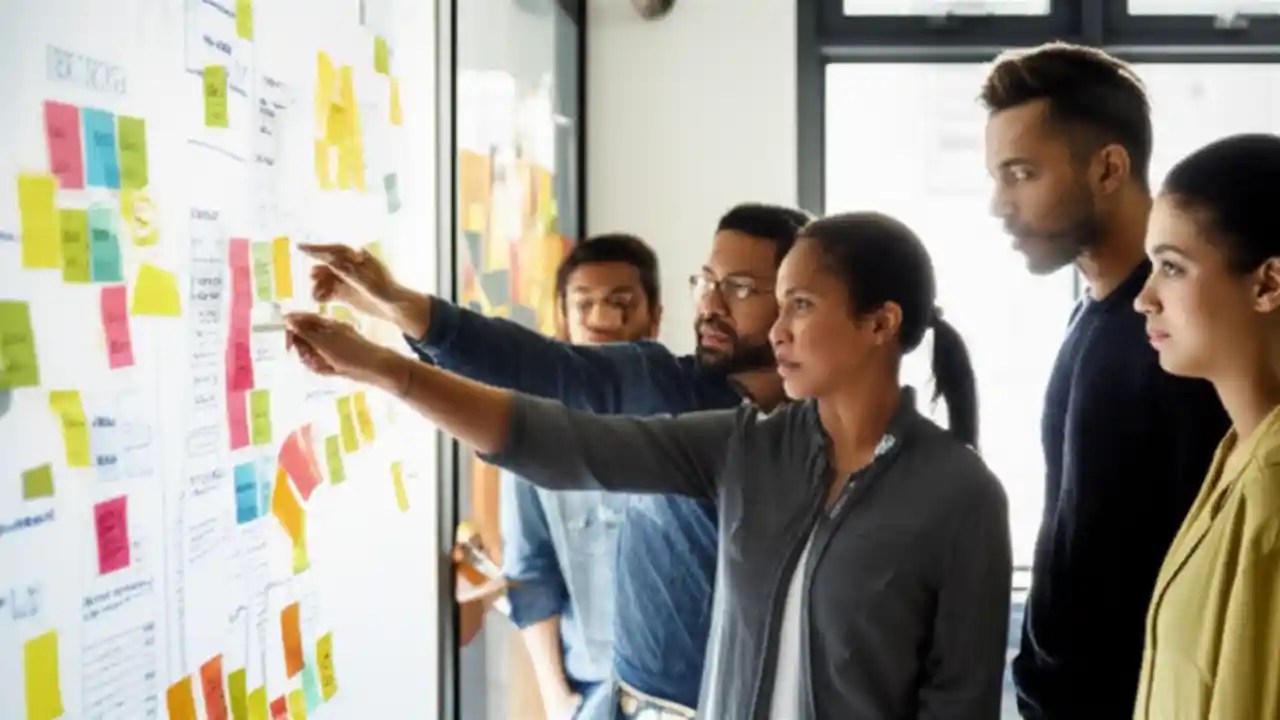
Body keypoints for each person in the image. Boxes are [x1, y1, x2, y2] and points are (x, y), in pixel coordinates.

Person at [286, 211, 1014, 718]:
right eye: (710, 282)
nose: (776, 327)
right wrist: (385, 366)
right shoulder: (743, 444)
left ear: (880, 323)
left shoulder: (959, 494)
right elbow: (553, 435)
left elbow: (960, 700)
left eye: (794, 303)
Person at [299, 203, 810, 717]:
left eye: (740, 288)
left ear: (795, 305)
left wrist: (386, 361)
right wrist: (394, 304)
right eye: (706, 282)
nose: (712, 304)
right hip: (621, 701)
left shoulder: (801, 439)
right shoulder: (671, 384)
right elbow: (539, 366)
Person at [980, 42, 1229, 717]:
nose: (1000, 205)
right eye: (997, 178)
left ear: (1109, 168)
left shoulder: (1179, 332)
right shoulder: (1090, 315)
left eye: (1021, 173)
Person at [1132, 133, 1280, 719]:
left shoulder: (1272, 482)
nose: (1145, 298)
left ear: (1268, 284)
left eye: (1172, 266)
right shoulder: (1237, 451)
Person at [501, 234, 664, 718]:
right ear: (563, 316)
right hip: (589, 688)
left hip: (684, 689)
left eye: (620, 304)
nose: (601, 320)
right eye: (585, 304)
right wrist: (556, 695)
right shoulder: (533, 427)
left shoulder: (692, 416)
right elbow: (530, 571)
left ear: (654, 316)